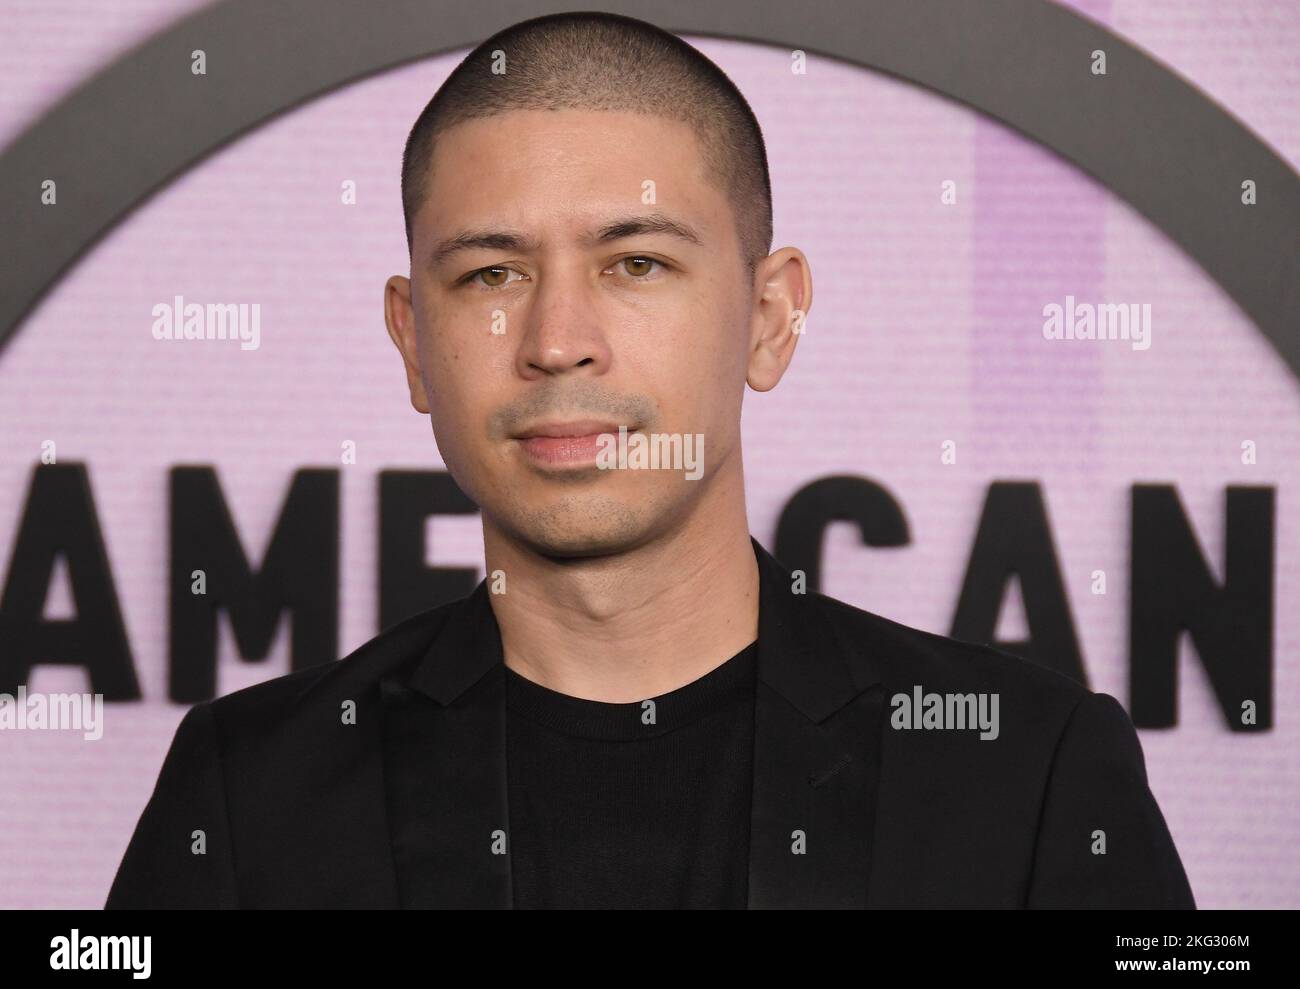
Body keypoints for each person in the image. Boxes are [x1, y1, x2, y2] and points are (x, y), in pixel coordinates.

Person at [105, 10, 1194, 909]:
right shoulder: (249, 794)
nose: (555, 338)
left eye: (635, 262)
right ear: (412, 341)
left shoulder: (1029, 775)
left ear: (770, 316)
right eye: (489, 274)